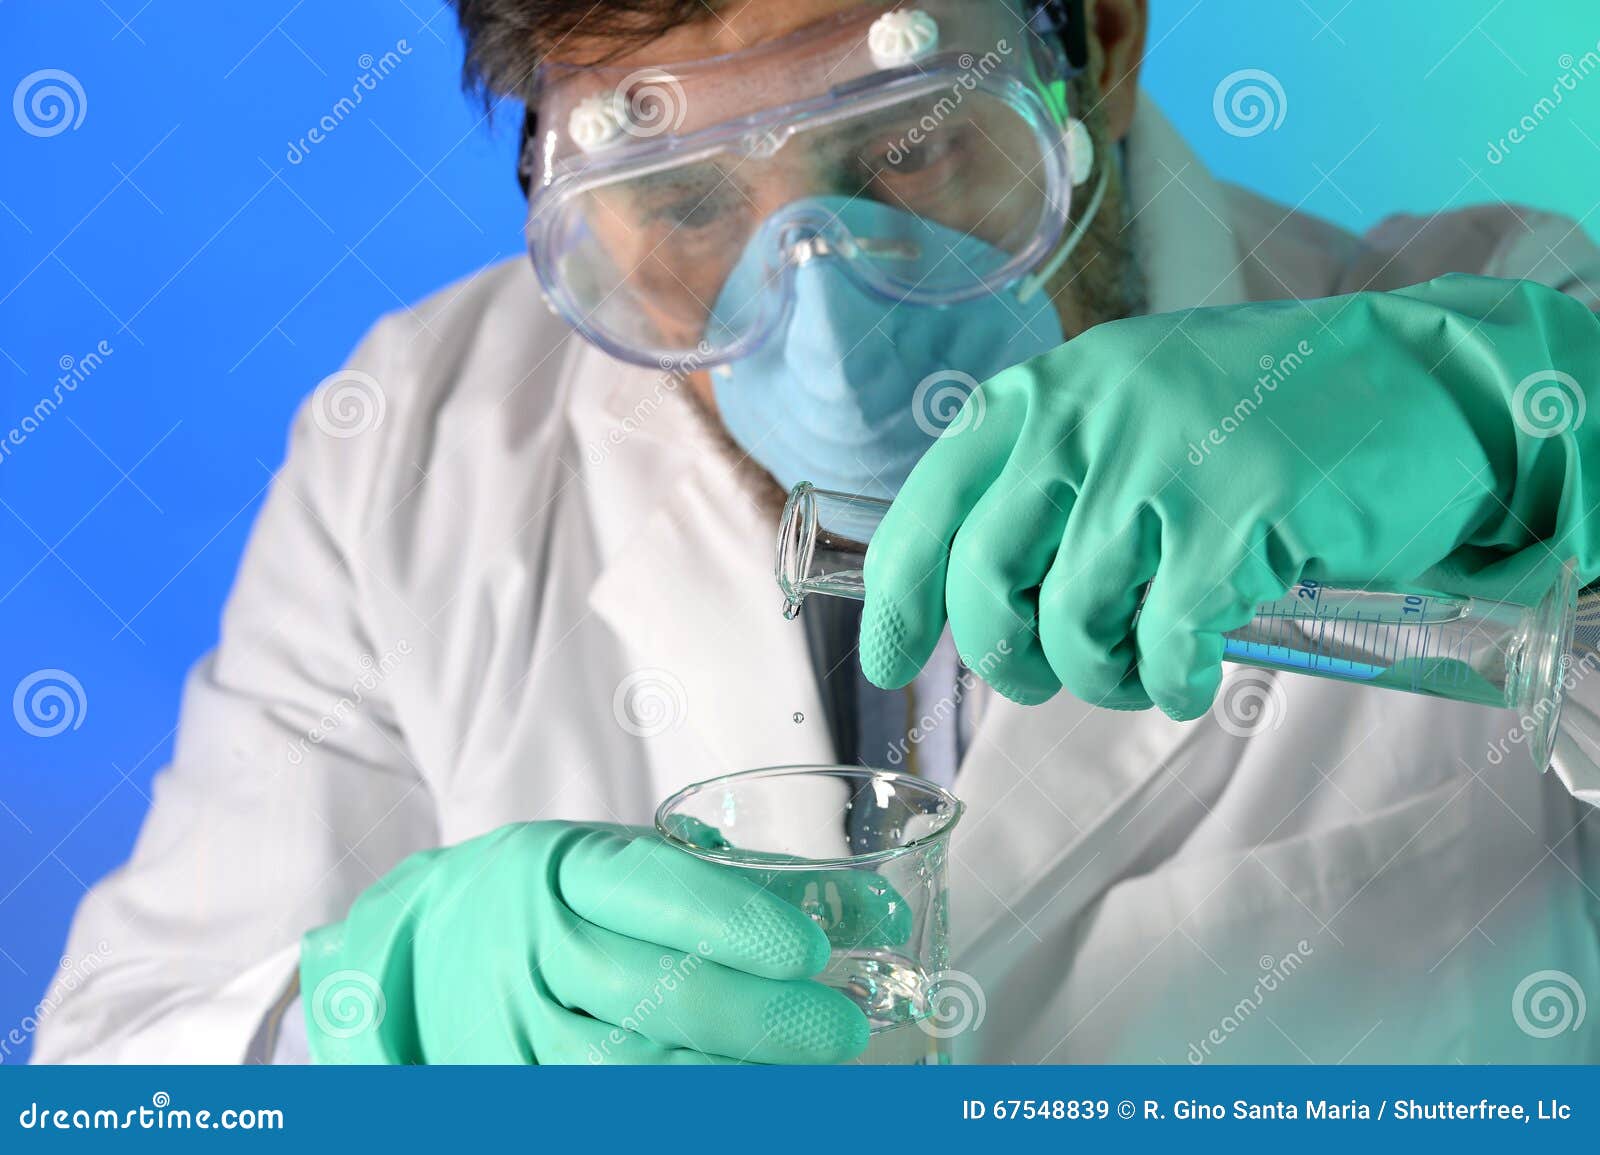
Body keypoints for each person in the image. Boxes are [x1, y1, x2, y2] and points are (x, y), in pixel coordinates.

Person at [36, 0, 1600, 1065]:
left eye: (912, 142)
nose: (833, 329)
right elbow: (119, 1072)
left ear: (1099, 44)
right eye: (685, 198)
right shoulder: (417, 446)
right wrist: (380, 1027)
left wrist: (1537, 477)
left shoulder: (1500, 364)